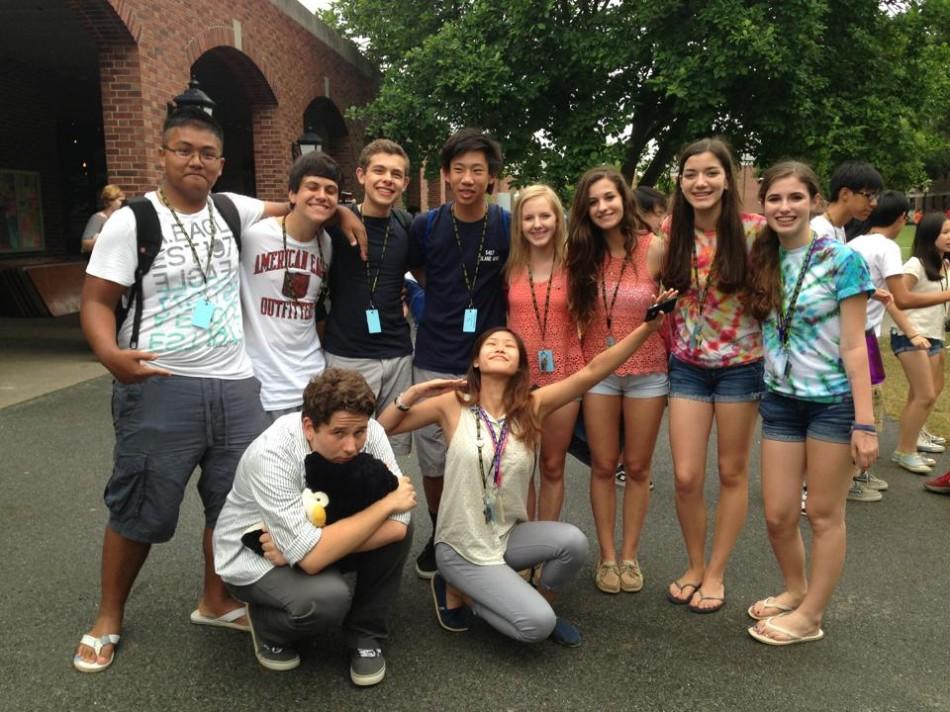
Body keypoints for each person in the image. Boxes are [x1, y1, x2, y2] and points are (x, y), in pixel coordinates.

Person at [73, 107, 292, 673]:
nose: (196, 160)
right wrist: (109, 355)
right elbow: (96, 300)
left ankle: (215, 600)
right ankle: (108, 617)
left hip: (236, 384)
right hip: (159, 382)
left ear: (220, 164)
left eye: (207, 153)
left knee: (234, 503)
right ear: (163, 156)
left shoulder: (230, 208)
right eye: (183, 149)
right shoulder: (132, 220)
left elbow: (295, 207)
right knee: (139, 503)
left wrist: (341, 215)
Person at [378, 295, 675, 647]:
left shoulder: (533, 406)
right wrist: (412, 394)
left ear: (521, 364)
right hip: (460, 547)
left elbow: (593, 371)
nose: (501, 347)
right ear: (476, 361)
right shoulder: (452, 405)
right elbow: (383, 428)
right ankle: (458, 589)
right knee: (533, 627)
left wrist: (646, 329)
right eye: (491, 344)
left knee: (573, 544)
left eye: (510, 345)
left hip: (505, 536)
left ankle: (538, 604)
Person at [212, 369, 416, 686]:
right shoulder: (272, 454)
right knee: (326, 599)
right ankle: (267, 625)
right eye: (338, 434)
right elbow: (315, 556)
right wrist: (385, 505)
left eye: (359, 433)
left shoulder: (369, 431)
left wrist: (309, 549)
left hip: (307, 535)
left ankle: (366, 634)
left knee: (398, 531)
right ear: (309, 426)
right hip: (256, 556)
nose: (352, 446)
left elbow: (399, 526)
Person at [745, 160, 876, 645]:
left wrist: (865, 423)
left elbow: (855, 346)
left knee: (823, 514)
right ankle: (795, 589)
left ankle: (812, 616)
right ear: (764, 206)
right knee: (779, 513)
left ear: (816, 202)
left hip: (833, 404)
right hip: (780, 401)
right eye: (775, 199)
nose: (785, 207)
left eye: (795, 197)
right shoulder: (762, 257)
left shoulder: (843, 261)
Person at [659, 138, 765, 613]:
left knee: (730, 471)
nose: (700, 182)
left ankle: (717, 571)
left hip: (741, 369)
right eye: (690, 175)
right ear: (679, 183)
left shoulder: (755, 232)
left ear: (727, 178)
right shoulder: (670, 232)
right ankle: (695, 563)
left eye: (710, 173)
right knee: (684, 476)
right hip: (687, 368)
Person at [408, 128, 510, 578]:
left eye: (478, 170)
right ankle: (441, 534)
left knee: (489, 453)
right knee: (435, 459)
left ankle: (488, 534)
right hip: (432, 355)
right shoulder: (426, 225)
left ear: (491, 178)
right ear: (446, 175)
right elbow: (416, 269)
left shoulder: (507, 226)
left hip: (487, 365)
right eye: (459, 169)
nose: (468, 178)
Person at [566, 167, 668, 596]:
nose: (603, 207)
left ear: (624, 199)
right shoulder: (580, 253)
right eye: (593, 202)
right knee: (605, 465)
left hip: (648, 371)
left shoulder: (655, 248)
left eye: (609, 197)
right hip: (599, 372)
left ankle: (630, 555)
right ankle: (607, 556)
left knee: (639, 467)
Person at [323, 139, 420, 456]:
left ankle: (386, 506)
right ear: (361, 175)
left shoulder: (407, 227)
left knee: (387, 453)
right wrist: (338, 210)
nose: (387, 179)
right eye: (379, 170)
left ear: (405, 183)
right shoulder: (334, 225)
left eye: (396, 174)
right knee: (345, 449)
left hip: (397, 354)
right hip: (348, 355)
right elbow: (298, 211)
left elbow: (424, 276)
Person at [504, 184, 583, 522]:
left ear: (558, 219)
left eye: (545, 216)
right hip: (520, 379)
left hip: (564, 375)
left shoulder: (575, 267)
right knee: (522, 465)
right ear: (519, 224)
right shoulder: (512, 268)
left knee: (552, 464)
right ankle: (525, 541)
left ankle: (547, 541)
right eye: (529, 217)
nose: (537, 224)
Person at [240, 152, 339, 419]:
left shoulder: (326, 244)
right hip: (263, 383)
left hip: (311, 380)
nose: (322, 195)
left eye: (331, 190)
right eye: (312, 187)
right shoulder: (253, 236)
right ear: (292, 194)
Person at [847, 191, 928, 499]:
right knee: (864, 407)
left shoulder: (855, 243)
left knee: (859, 403)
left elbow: (888, 298)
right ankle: (852, 475)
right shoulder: (887, 248)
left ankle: (858, 471)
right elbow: (902, 297)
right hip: (861, 337)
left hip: (851, 333)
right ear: (901, 219)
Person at [888, 212, 950, 474]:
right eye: (945, 232)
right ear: (929, 235)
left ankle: (913, 439)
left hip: (934, 336)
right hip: (911, 336)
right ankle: (905, 451)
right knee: (924, 394)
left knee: (928, 392)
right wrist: (911, 332)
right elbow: (895, 299)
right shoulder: (915, 264)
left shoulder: (944, 264)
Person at [810, 161, 883, 243]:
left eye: (876, 196)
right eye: (869, 195)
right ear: (845, 194)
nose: (874, 203)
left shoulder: (838, 227)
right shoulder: (819, 232)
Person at [81, 184, 125, 254]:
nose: (123, 203)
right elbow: (85, 245)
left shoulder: (121, 217)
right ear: (110, 201)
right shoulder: (98, 218)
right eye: (120, 201)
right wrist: (108, 240)